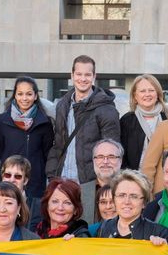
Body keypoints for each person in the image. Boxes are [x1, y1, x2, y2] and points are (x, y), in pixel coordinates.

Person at [45, 56, 121, 199]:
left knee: (87, 221)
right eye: (79, 74)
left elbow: (112, 153)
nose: (83, 79)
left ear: (94, 77)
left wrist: (101, 184)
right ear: (72, 76)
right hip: (62, 182)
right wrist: (52, 176)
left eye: (87, 75)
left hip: (89, 185)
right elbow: (58, 146)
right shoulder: (63, 105)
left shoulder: (106, 110)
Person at [0, 76, 54, 207]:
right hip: (9, 179)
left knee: (31, 220)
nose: (24, 98)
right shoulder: (2, 121)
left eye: (29, 94)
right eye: (20, 94)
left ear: (35, 96)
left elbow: (47, 153)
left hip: (35, 183)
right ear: (15, 96)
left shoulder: (44, 122)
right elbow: (1, 148)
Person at [95, 170, 168, 241]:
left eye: (134, 196)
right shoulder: (104, 227)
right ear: (114, 199)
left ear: (144, 202)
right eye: (121, 195)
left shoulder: (159, 233)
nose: (127, 202)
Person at [119, 73, 166, 172]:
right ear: (135, 96)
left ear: (157, 94)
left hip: (164, 177)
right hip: (136, 177)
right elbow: (122, 156)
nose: (147, 94)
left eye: (151, 90)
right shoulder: (126, 121)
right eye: (142, 91)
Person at [85, 138, 124, 222]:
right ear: (93, 161)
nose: (105, 161)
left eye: (111, 157)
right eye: (100, 157)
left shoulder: (132, 190)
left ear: (120, 161)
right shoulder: (81, 192)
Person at [0, 155, 42, 230]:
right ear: (2, 177)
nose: (12, 180)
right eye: (7, 175)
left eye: (18, 176)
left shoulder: (38, 207)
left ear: (25, 181)